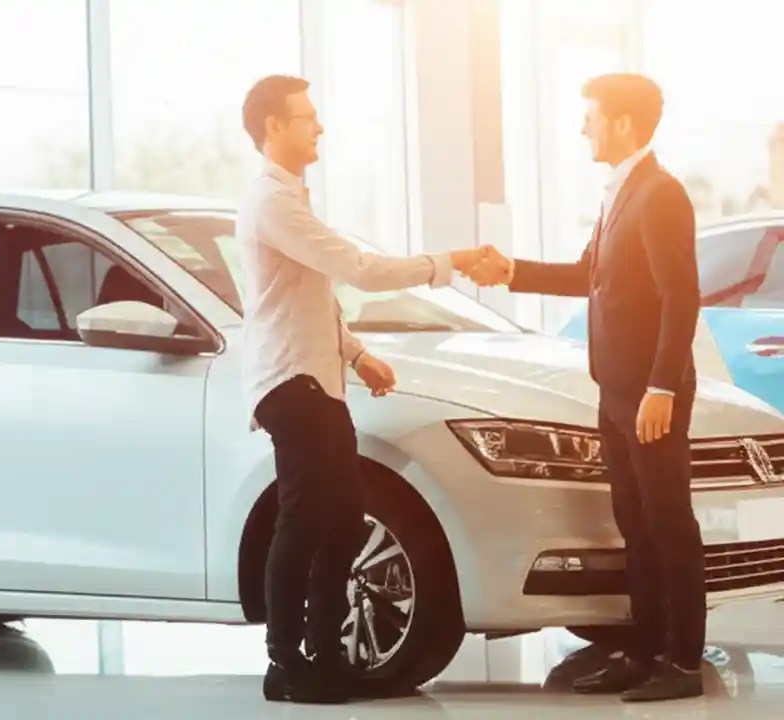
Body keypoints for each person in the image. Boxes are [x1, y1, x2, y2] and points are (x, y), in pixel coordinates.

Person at [238, 74, 486, 704]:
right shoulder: (274, 203)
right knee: (305, 520)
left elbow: (310, 294)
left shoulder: (291, 199)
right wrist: (448, 262)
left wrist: (357, 353)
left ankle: (324, 654)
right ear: (274, 126)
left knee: (344, 521)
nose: (318, 126)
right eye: (306, 117)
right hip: (291, 381)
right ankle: (286, 663)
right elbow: (359, 270)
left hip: (314, 377)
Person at [465, 73, 704, 703]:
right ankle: (644, 649)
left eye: (592, 116)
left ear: (623, 122)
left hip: (650, 396)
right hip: (616, 390)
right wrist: (510, 271)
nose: (583, 128)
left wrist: (663, 389)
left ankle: (681, 662)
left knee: (668, 522)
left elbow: (683, 297)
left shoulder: (661, 194)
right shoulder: (620, 195)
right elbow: (586, 276)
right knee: (635, 524)